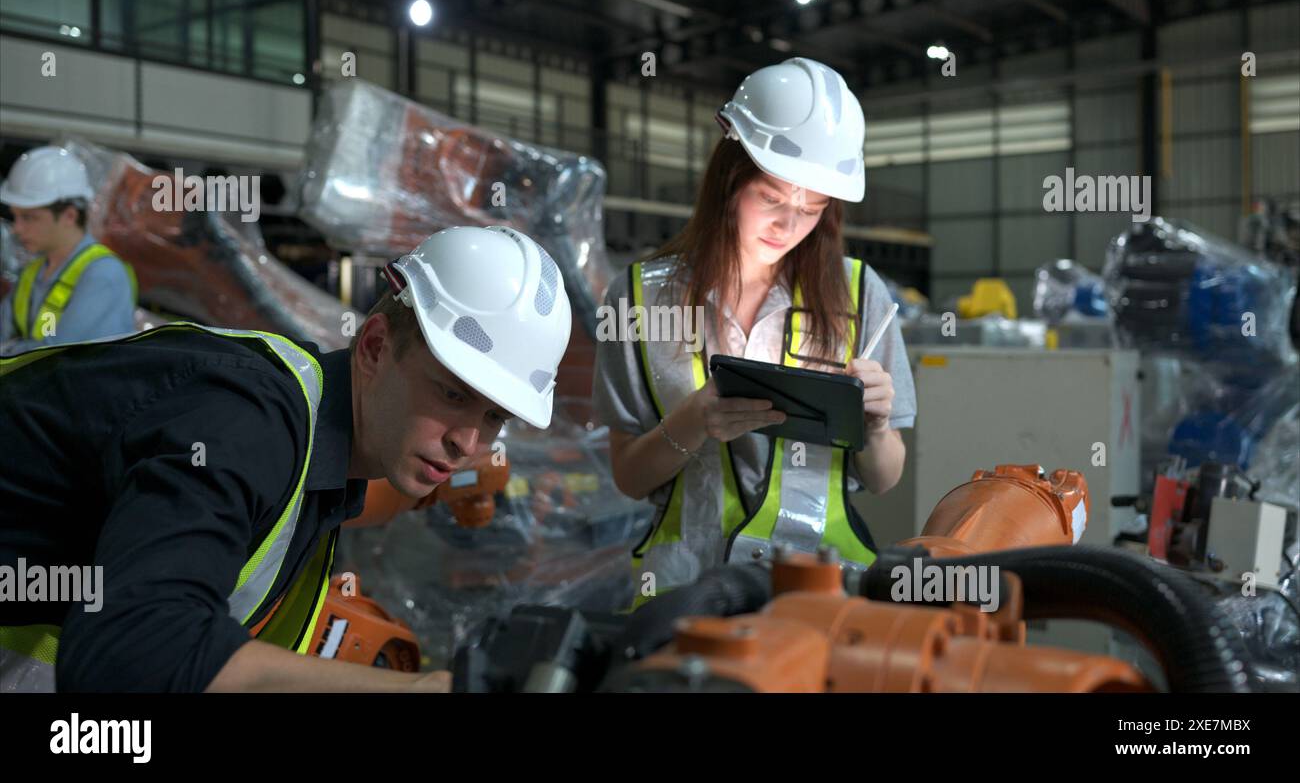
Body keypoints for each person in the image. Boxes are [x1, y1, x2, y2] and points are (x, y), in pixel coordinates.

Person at [0, 225, 572, 692]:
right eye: (452, 395)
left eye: (495, 417)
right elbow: (127, 653)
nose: (468, 443)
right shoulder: (241, 422)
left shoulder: (323, 443)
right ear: (374, 346)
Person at [593, 58, 916, 599]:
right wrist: (695, 419)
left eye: (812, 208)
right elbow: (629, 477)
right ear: (728, 179)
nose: (789, 226)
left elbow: (884, 479)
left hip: (820, 585)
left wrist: (878, 429)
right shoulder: (640, 299)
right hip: (684, 586)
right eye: (770, 197)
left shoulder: (861, 294)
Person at [0, 146, 135, 354]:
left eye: (29, 217)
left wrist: (10, 349)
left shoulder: (103, 274)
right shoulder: (33, 273)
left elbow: (59, 354)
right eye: (15, 217)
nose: (17, 229)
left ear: (69, 216)